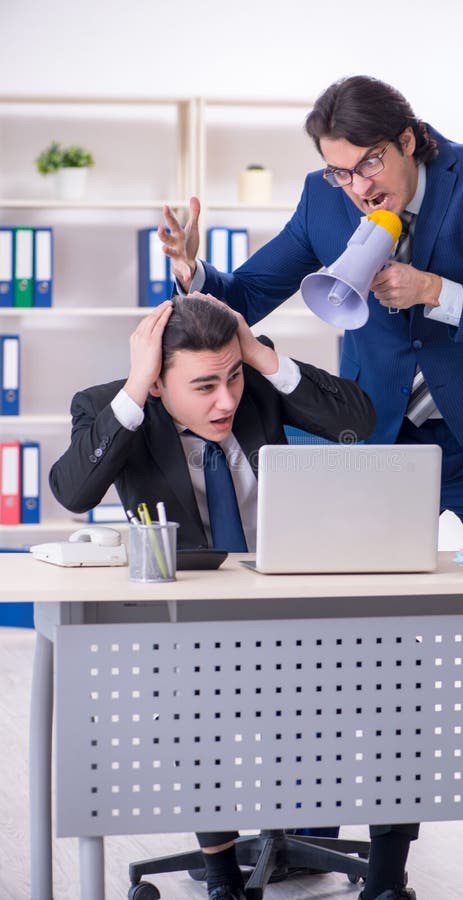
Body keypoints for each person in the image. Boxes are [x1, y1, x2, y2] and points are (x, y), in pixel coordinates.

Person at [158, 75, 463, 900]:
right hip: (378, 439)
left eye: (367, 164)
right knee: (337, 637)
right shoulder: (327, 204)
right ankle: (315, 834)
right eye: (338, 171)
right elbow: (247, 295)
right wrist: (193, 270)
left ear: (409, 140)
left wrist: (432, 289)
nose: (358, 186)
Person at [49, 295, 416, 900]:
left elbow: (360, 421)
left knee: (393, 670)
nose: (225, 401)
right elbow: (73, 491)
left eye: (232, 377)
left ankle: (385, 882)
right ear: (161, 385)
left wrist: (256, 356)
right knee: (197, 685)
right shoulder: (114, 408)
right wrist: (138, 387)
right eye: (203, 385)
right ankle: (222, 878)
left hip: (294, 607)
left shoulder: (256, 386)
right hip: (190, 621)